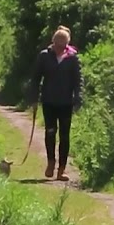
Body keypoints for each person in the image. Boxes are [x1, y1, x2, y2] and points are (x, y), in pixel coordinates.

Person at [27, 26, 83, 181]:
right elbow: (36, 78)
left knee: (64, 136)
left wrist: (78, 98)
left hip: (66, 102)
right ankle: (51, 162)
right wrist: (33, 98)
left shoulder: (72, 58)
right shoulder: (44, 56)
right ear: (53, 43)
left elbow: (78, 81)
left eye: (63, 46)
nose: (60, 48)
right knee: (50, 132)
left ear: (67, 44)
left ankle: (62, 170)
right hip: (49, 101)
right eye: (58, 45)